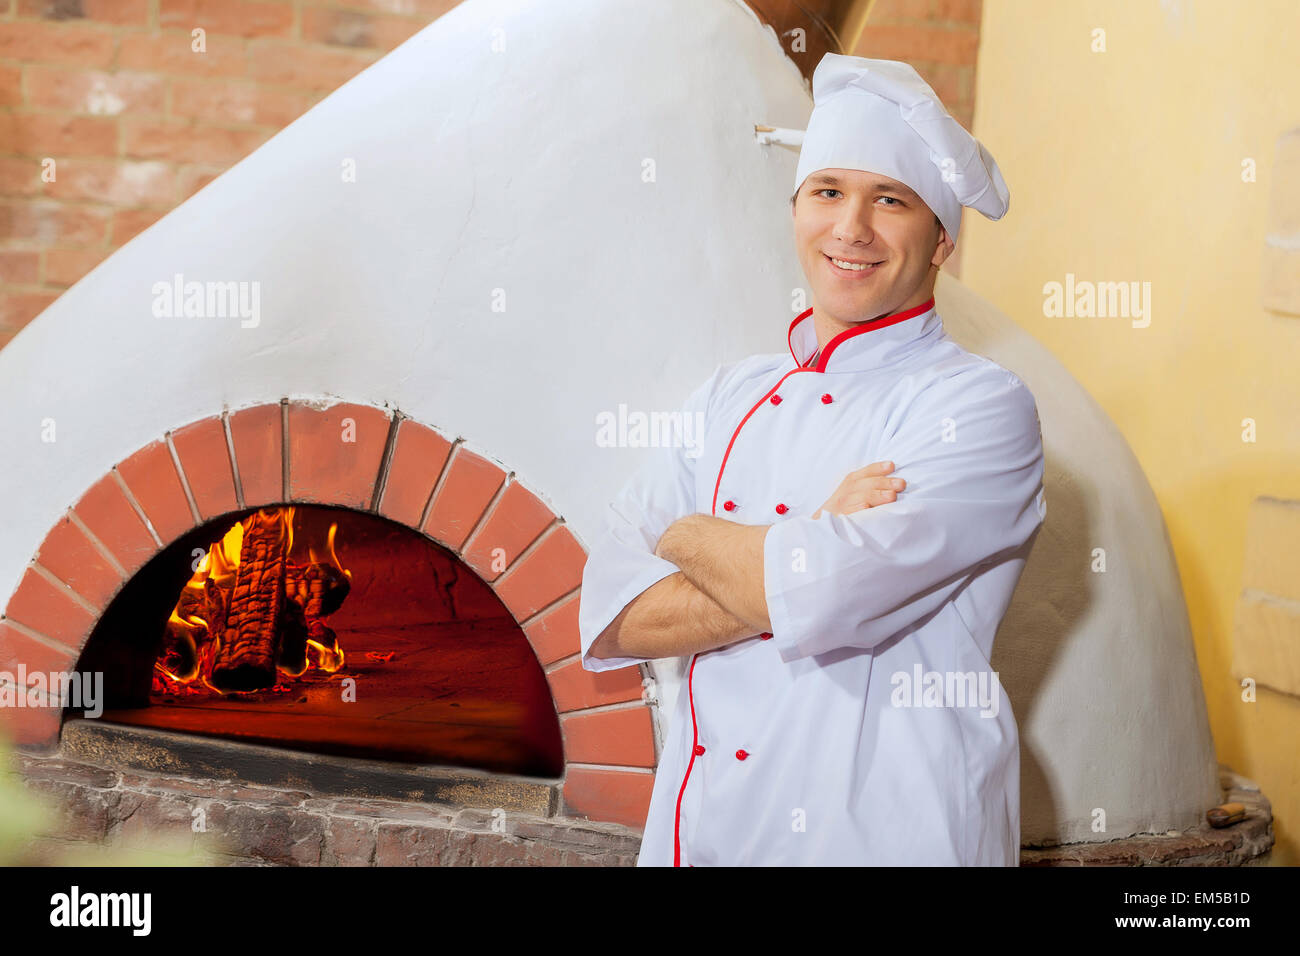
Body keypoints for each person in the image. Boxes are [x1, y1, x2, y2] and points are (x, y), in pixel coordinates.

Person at [577, 53, 1046, 866]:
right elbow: (618, 618)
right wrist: (807, 536)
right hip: (709, 831)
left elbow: (823, 598)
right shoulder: (728, 395)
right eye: (827, 192)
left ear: (940, 242)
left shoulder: (978, 409)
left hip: (885, 834)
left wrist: (684, 535)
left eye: (890, 201)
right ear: (796, 210)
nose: (851, 229)